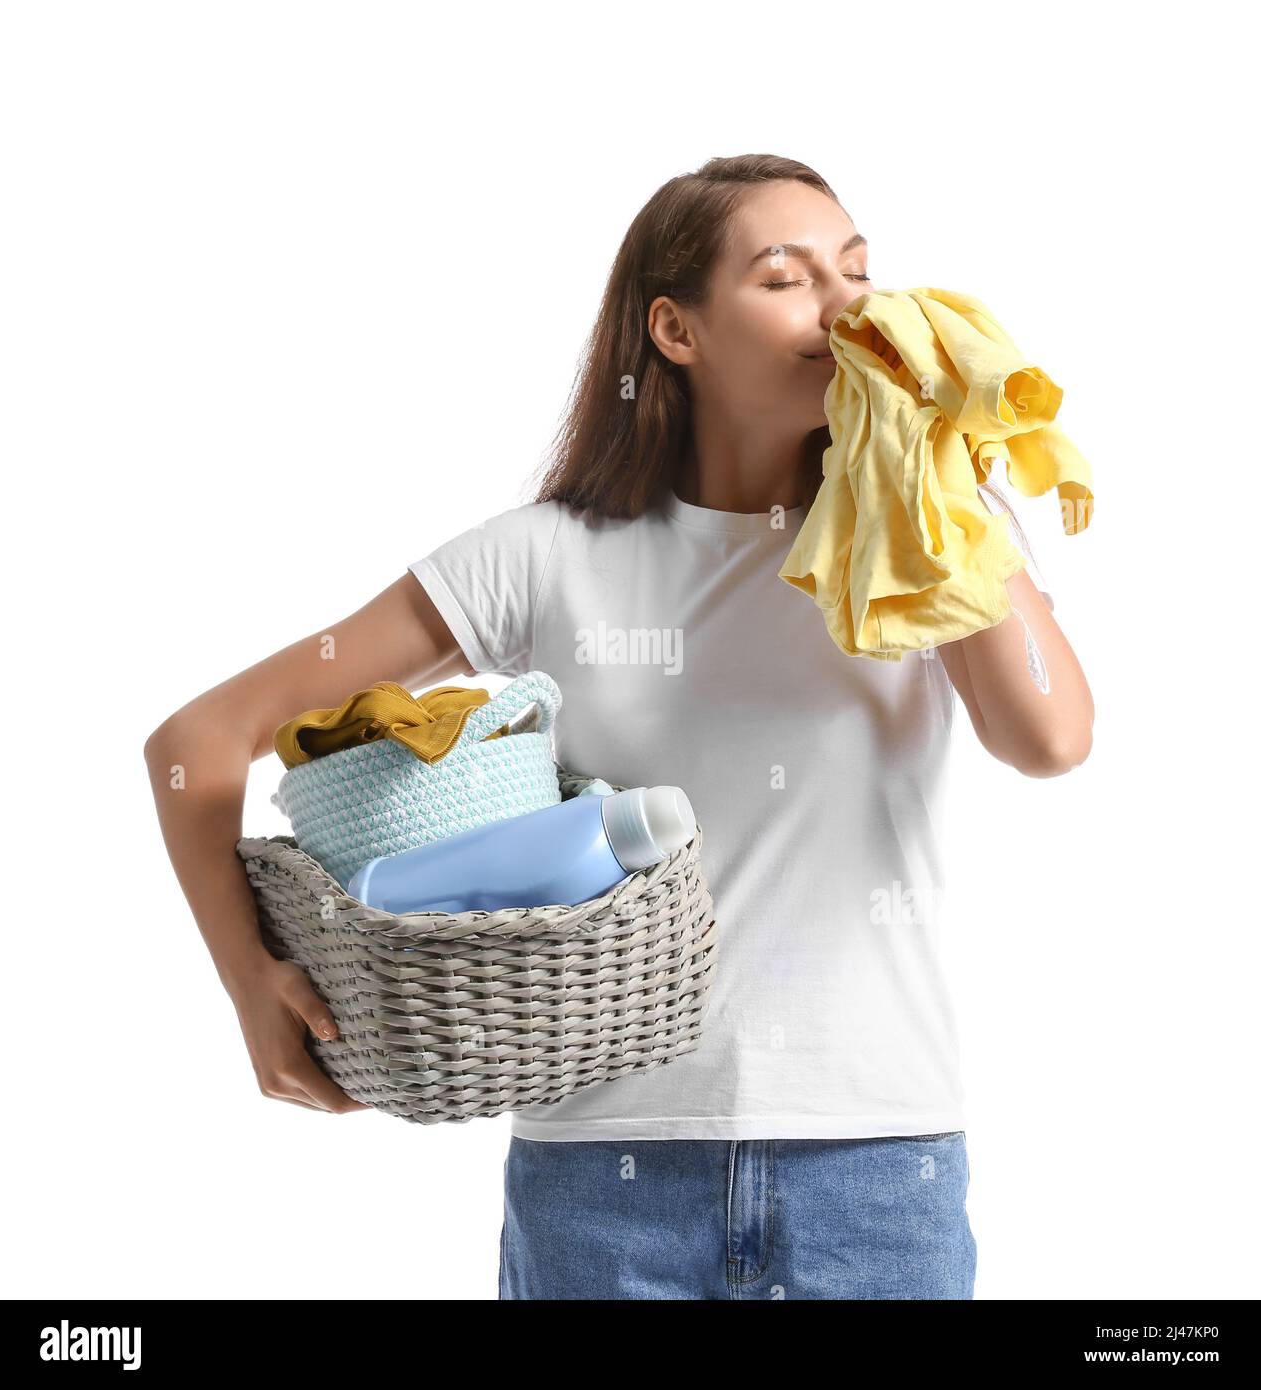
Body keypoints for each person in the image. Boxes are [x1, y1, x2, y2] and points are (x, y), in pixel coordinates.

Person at [145, 153, 1094, 1300]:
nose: (850, 309)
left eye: (858, 272)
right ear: (675, 332)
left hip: (878, 1172)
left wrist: (939, 480)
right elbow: (197, 741)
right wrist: (252, 981)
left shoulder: (923, 540)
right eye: (787, 279)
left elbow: (1050, 739)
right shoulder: (542, 557)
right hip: (603, 1185)